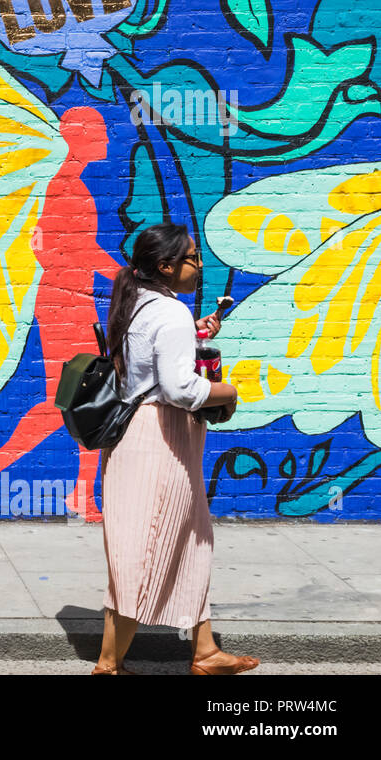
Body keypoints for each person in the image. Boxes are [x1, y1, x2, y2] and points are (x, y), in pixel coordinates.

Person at [92, 222, 259, 675]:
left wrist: (195, 334)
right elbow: (180, 390)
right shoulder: (170, 314)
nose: (200, 265)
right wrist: (229, 391)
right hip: (158, 443)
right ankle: (109, 665)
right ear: (166, 266)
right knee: (143, 550)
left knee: (191, 539)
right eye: (192, 257)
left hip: (147, 439)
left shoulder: (142, 304)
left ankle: (204, 652)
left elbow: (156, 364)